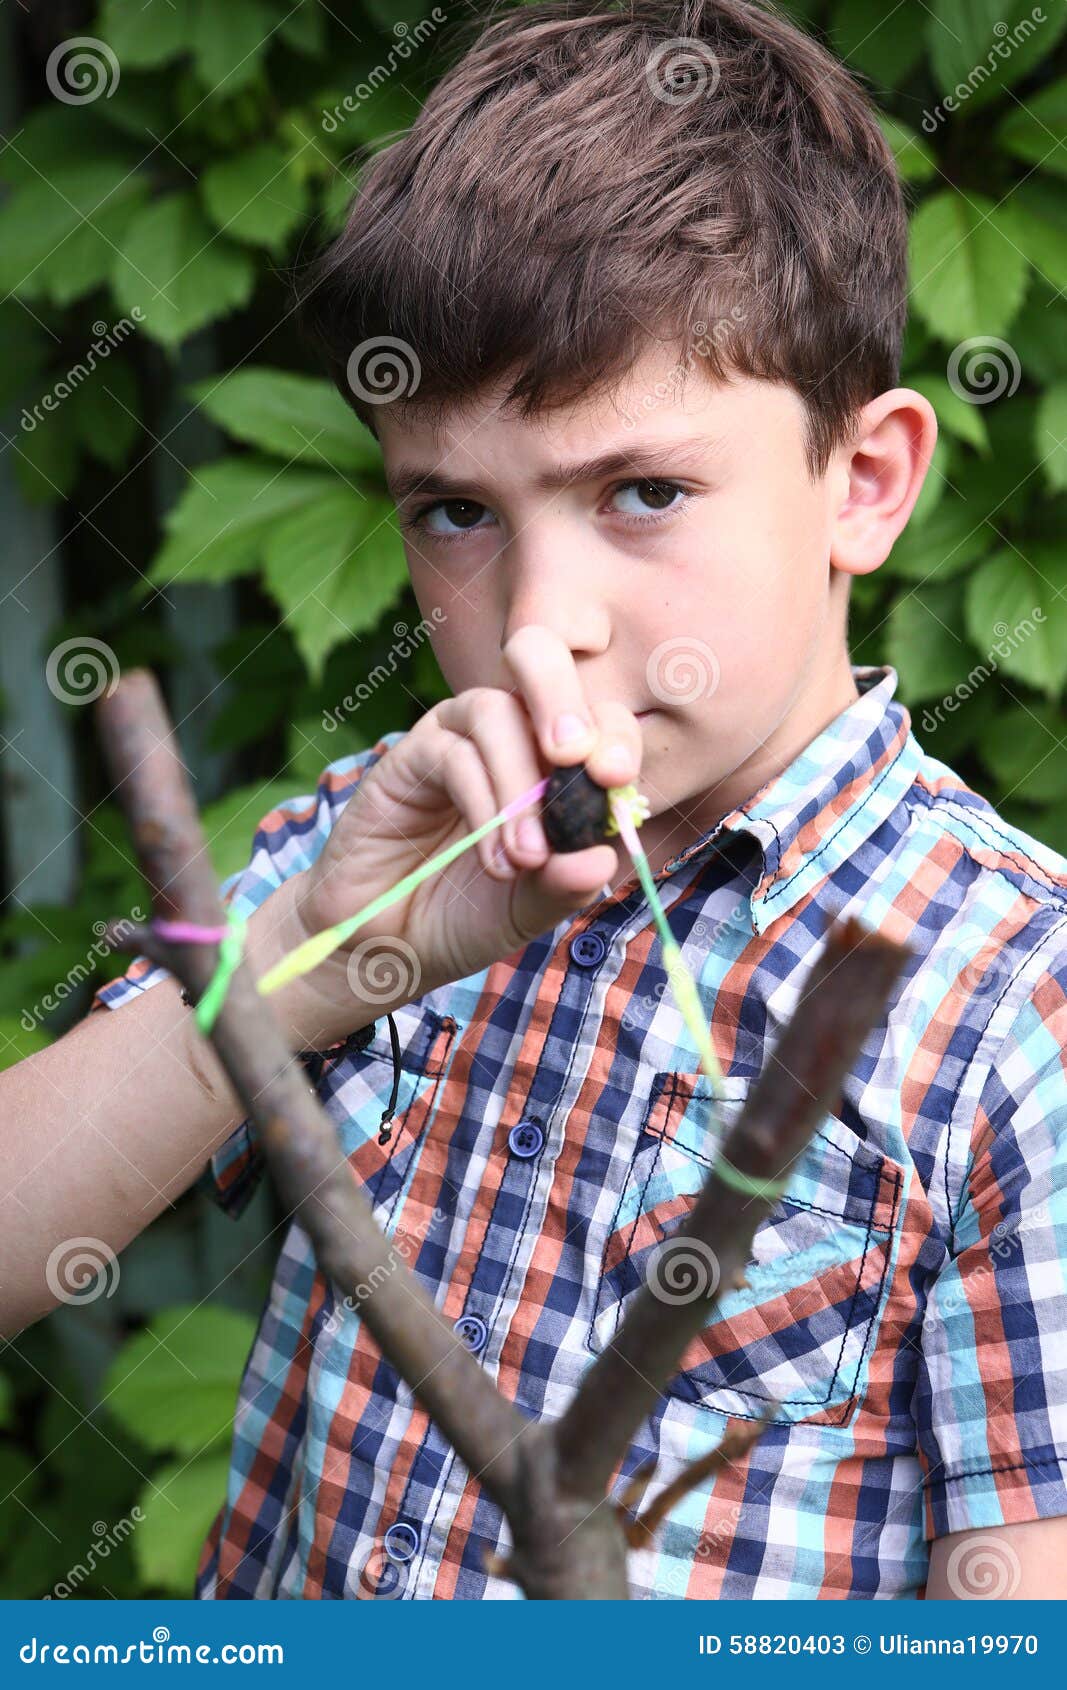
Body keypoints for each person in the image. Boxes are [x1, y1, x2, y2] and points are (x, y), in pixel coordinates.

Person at [3, 0, 1065, 1600]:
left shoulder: (1016, 1011)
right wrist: (306, 949)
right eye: (452, 511)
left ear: (865, 481)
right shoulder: (375, 844)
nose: (529, 622)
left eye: (643, 491)